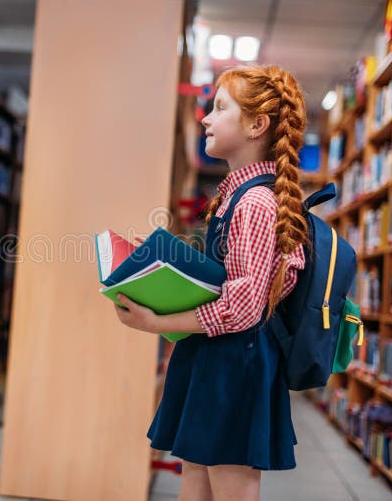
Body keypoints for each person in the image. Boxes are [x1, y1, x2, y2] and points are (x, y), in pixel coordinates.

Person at [114, 65, 308, 501]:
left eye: (220, 108)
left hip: (234, 368)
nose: (205, 117)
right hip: (214, 360)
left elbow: (243, 307)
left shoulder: (256, 203)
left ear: (257, 125)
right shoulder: (234, 197)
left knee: (228, 487)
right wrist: (170, 261)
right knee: (196, 486)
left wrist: (155, 324)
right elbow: (228, 278)